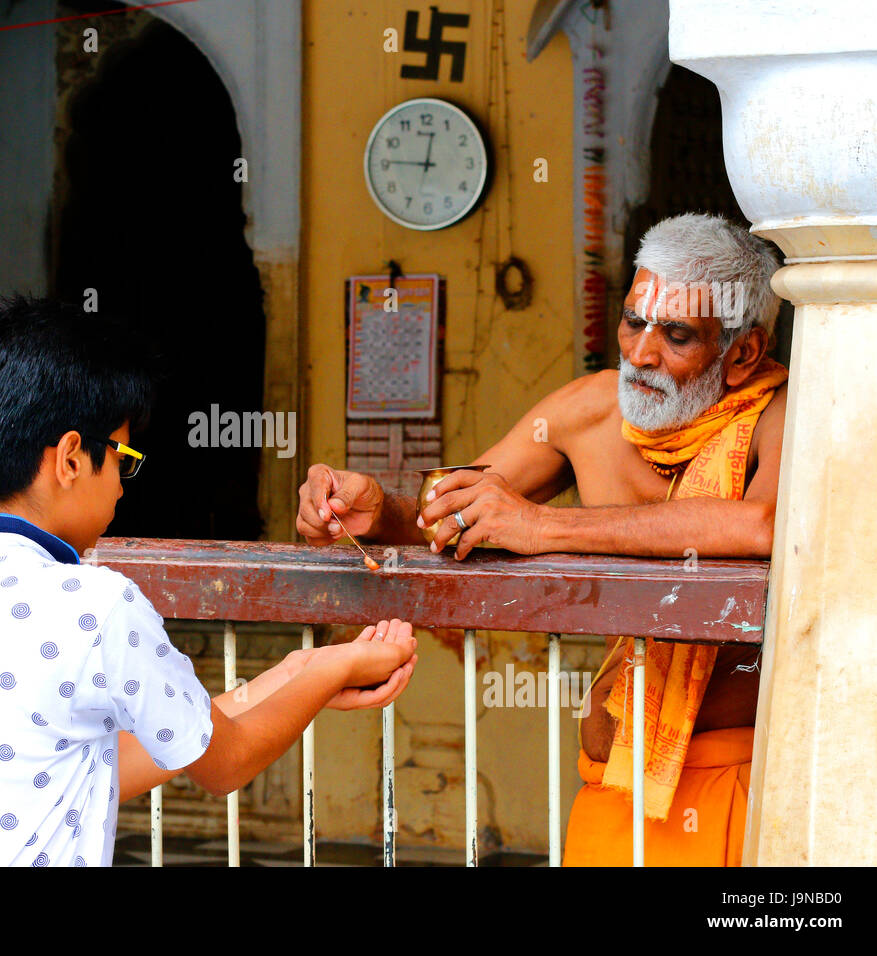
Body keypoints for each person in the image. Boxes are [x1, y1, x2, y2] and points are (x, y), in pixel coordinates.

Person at [296, 213, 788, 866]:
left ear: (743, 354)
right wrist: (378, 509)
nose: (641, 355)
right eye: (634, 321)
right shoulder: (588, 411)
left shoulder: (781, 415)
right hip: (608, 786)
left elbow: (762, 525)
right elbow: (462, 511)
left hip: (734, 786)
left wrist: (542, 526)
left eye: (676, 335)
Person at [0, 295, 417, 867]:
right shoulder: (93, 604)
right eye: (123, 457)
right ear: (71, 459)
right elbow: (223, 764)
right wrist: (337, 666)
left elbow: (126, 756)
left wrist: (296, 674)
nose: (122, 487)